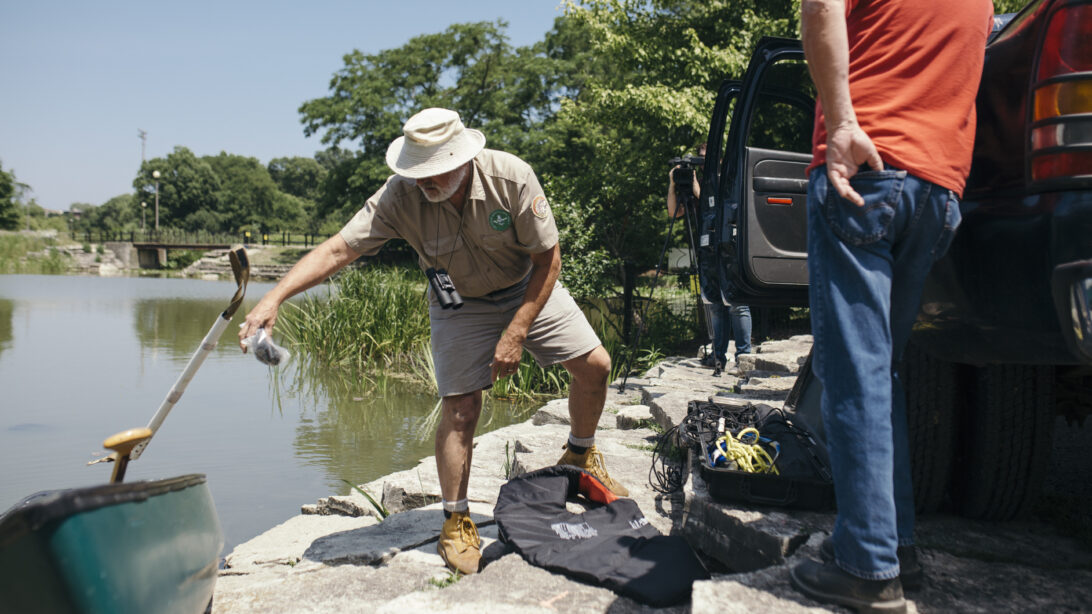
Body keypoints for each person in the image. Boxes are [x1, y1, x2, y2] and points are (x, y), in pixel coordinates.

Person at [238, 108, 626, 576]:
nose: (424, 182)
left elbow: (549, 258)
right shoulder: (399, 195)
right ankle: (456, 517)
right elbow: (340, 248)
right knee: (461, 407)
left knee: (596, 366)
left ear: (463, 160)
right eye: (415, 172)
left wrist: (517, 330)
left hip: (528, 287)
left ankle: (580, 455)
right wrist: (274, 297)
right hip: (459, 302)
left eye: (434, 172)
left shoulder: (513, 178)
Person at [792, 1, 993, 612]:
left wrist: (845, 123)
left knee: (855, 374)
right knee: (882, 371)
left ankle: (867, 569)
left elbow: (820, 7)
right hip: (938, 188)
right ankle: (894, 547)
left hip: (866, 169)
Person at [666, 147, 751, 375]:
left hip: (728, 247)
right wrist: (673, 183)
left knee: (736, 302)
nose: (704, 164)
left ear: (719, 159)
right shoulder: (699, 181)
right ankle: (718, 356)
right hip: (707, 250)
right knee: (714, 303)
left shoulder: (728, 181)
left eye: (707, 158)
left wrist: (696, 188)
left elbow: (717, 206)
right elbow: (674, 211)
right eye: (700, 160)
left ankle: (744, 356)